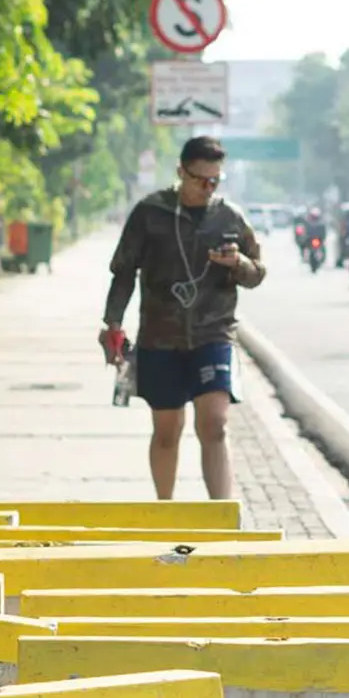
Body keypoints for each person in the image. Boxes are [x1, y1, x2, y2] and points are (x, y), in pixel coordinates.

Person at [101, 136, 266, 501]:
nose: (207, 188)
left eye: (215, 181)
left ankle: (221, 515)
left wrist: (236, 263)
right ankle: (166, 510)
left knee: (215, 424)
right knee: (167, 429)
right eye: (200, 180)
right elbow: (124, 272)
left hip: (214, 334)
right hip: (160, 337)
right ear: (181, 172)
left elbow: (257, 273)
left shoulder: (230, 217)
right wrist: (113, 323)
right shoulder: (149, 213)